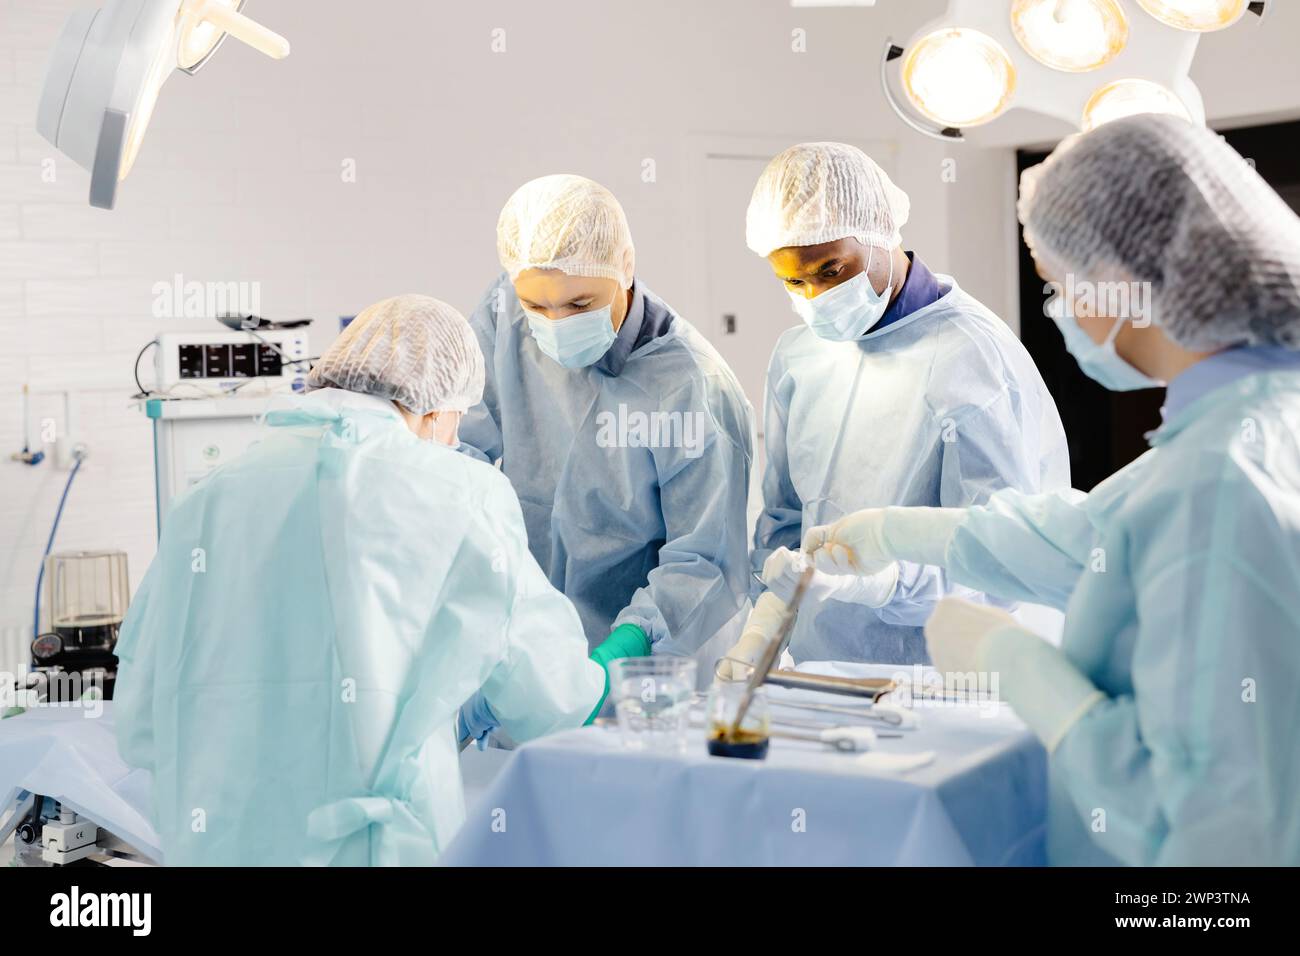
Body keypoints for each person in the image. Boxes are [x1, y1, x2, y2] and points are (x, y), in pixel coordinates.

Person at [803, 114, 1300, 865]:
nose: (1058, 308)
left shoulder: (1221, 476)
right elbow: (1106, 542)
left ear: (1119, 279)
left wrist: (1029, 675)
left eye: (1055, 283)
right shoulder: (1254, 419)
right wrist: (897, 532)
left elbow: (1218, 839)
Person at [114, 294, 621, 866]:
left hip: (221, 847)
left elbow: (138, 723)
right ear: (433, 406)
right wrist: (611, 663)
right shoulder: (461, 491)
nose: (456, 439)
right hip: (375, 850)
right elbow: (552, 703)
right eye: (459, 418)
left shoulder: (207, 499)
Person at [724, 142, 1069, 672]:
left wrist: (884, 584)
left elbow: (1001, 557)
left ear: (883, 233)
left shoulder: (972, 357)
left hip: (945, 674)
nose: (816, 295)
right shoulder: (800, 355)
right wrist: (766, 628)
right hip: (823, 671)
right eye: (795, 281)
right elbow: (785, 518)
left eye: (833, 270)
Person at [460, 174, 754, 675]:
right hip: (530, 641)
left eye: (580, 305)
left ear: (625, 268)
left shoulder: (693, 388)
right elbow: (459, 448)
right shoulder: (503, 313)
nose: (556, 322)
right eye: (537, 306)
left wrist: (622, 651)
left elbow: (704, 562)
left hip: (654, 662)